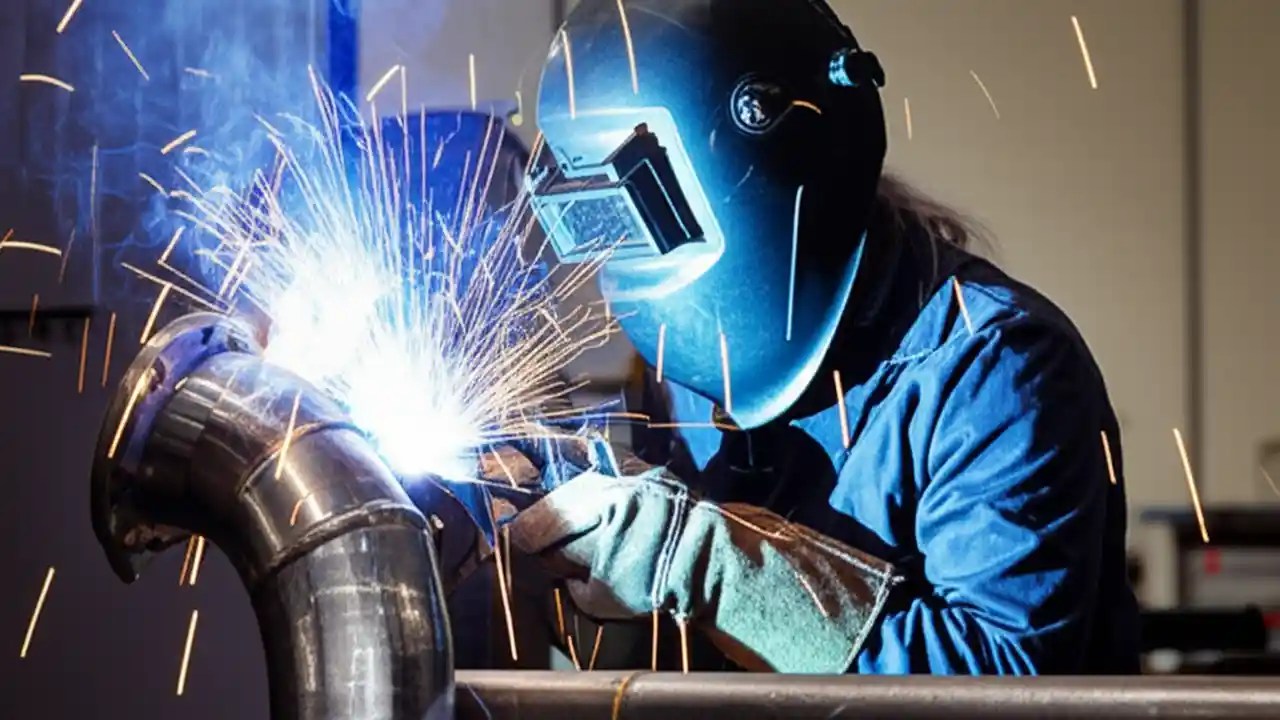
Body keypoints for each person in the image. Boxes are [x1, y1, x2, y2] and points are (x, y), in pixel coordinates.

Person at [504, 0, 1140, 674]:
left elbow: (1001, 687)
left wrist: (701, 560)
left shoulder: (996, 371)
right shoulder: (692, 369)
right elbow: (704, 661)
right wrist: (604, 593)